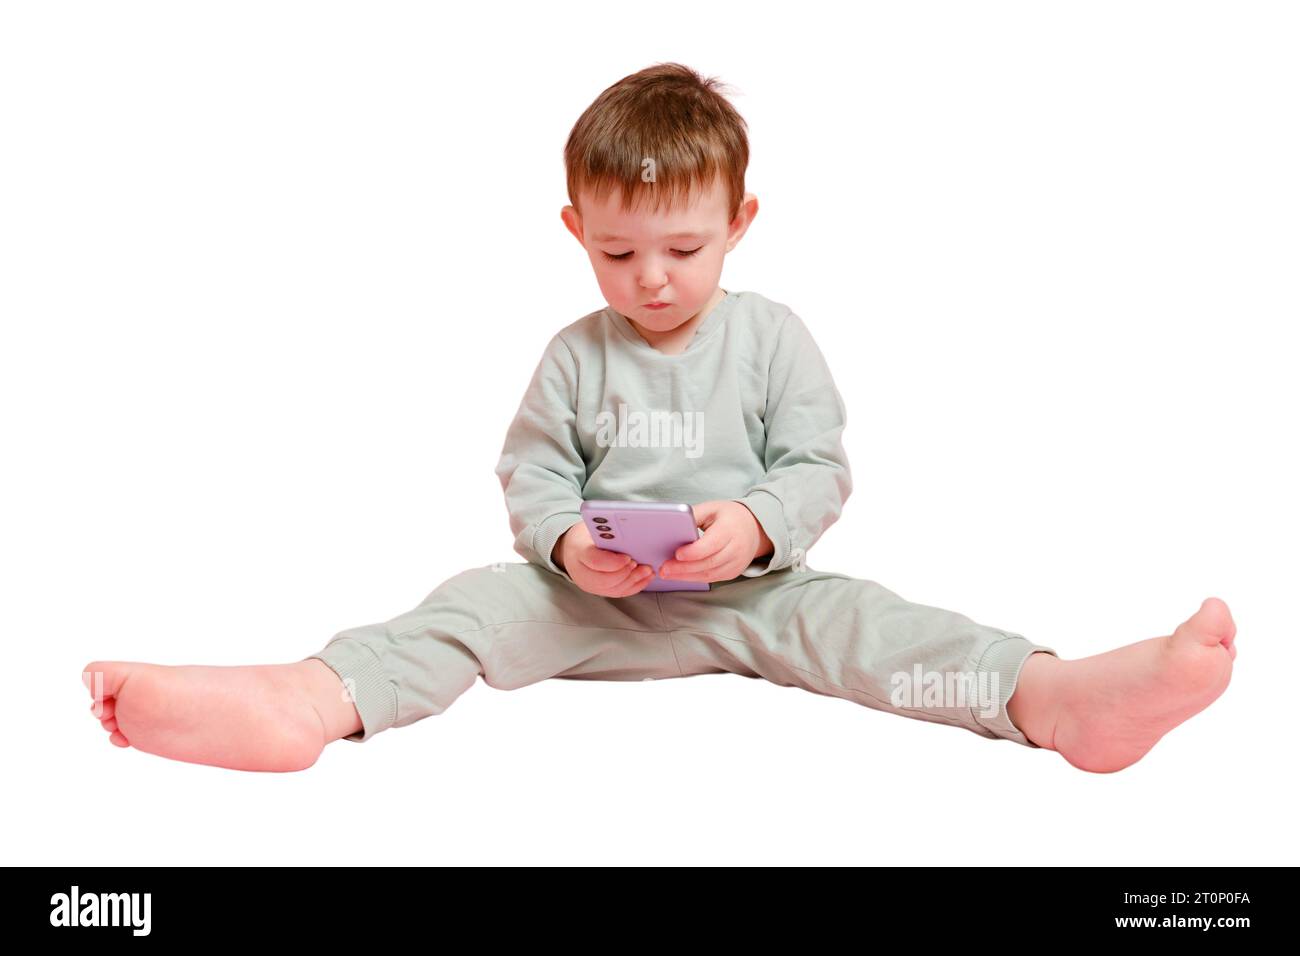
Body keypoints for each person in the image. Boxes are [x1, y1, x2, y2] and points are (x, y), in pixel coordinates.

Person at [81, 62, 1237, 774]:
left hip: (757, 596)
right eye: (618, 250)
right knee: (465, 607)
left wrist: (756, 521)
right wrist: (570, 544)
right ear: (575, 229)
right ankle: (306, 700)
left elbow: (818, 464)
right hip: (595, 607)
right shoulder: (575, 355)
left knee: (887, 631)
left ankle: (1056, 700)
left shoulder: (772, 334)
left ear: (737, 220)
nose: (651, 279)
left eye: (682, 249)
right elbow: (529, 472)